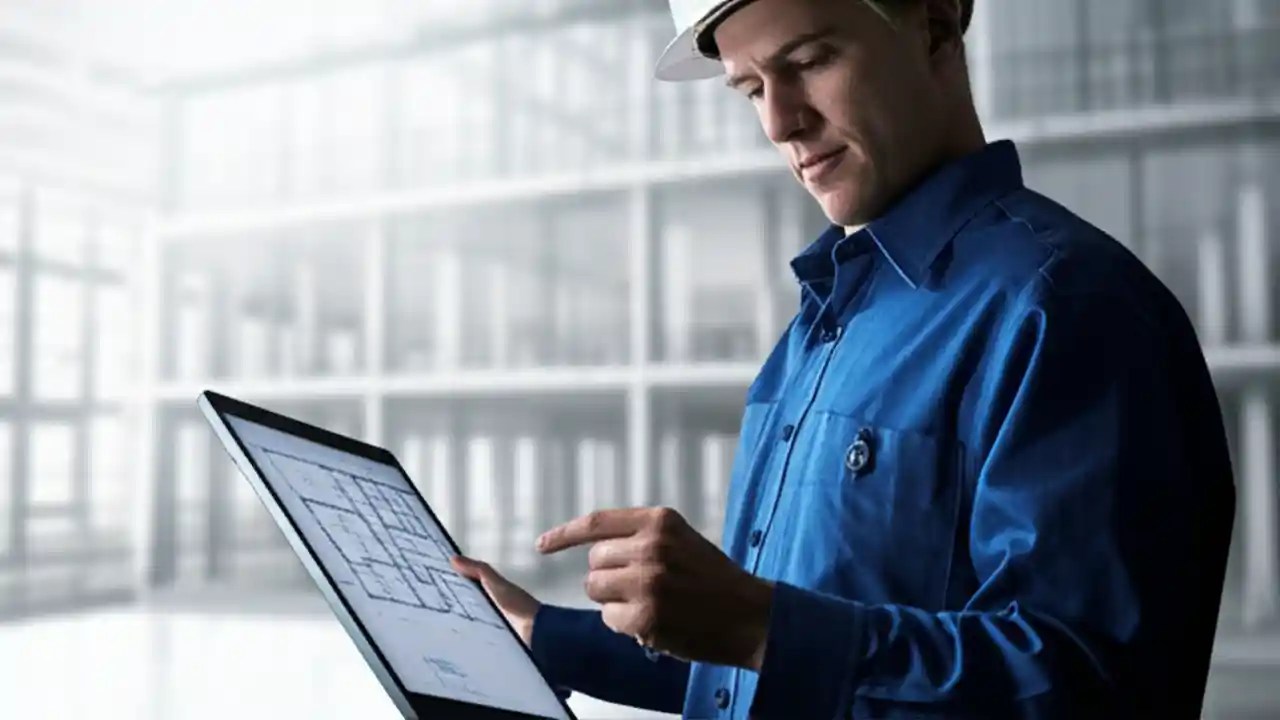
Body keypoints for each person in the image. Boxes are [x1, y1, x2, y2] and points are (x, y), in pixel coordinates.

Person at [452, 0, 1237, 717]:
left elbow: (1091, 685)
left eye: (807, 62)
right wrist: (547, 635)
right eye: (752, 88)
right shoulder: (816, 330)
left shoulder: (1067, 309)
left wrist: (760, 623)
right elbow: (774, 664)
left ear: (935, 22)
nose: (780, 124)